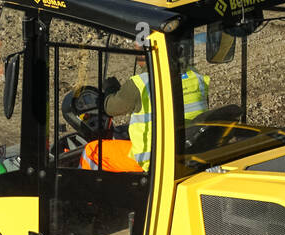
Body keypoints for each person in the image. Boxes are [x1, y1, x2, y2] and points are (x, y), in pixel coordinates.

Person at [82, 38, 210, 172]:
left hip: (153, 159)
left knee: (91, 151)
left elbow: (110, 108)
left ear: (146, 53)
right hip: (192, 148)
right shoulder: (195, 74)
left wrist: (110, 88)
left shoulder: (140, 83)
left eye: (138, 51)